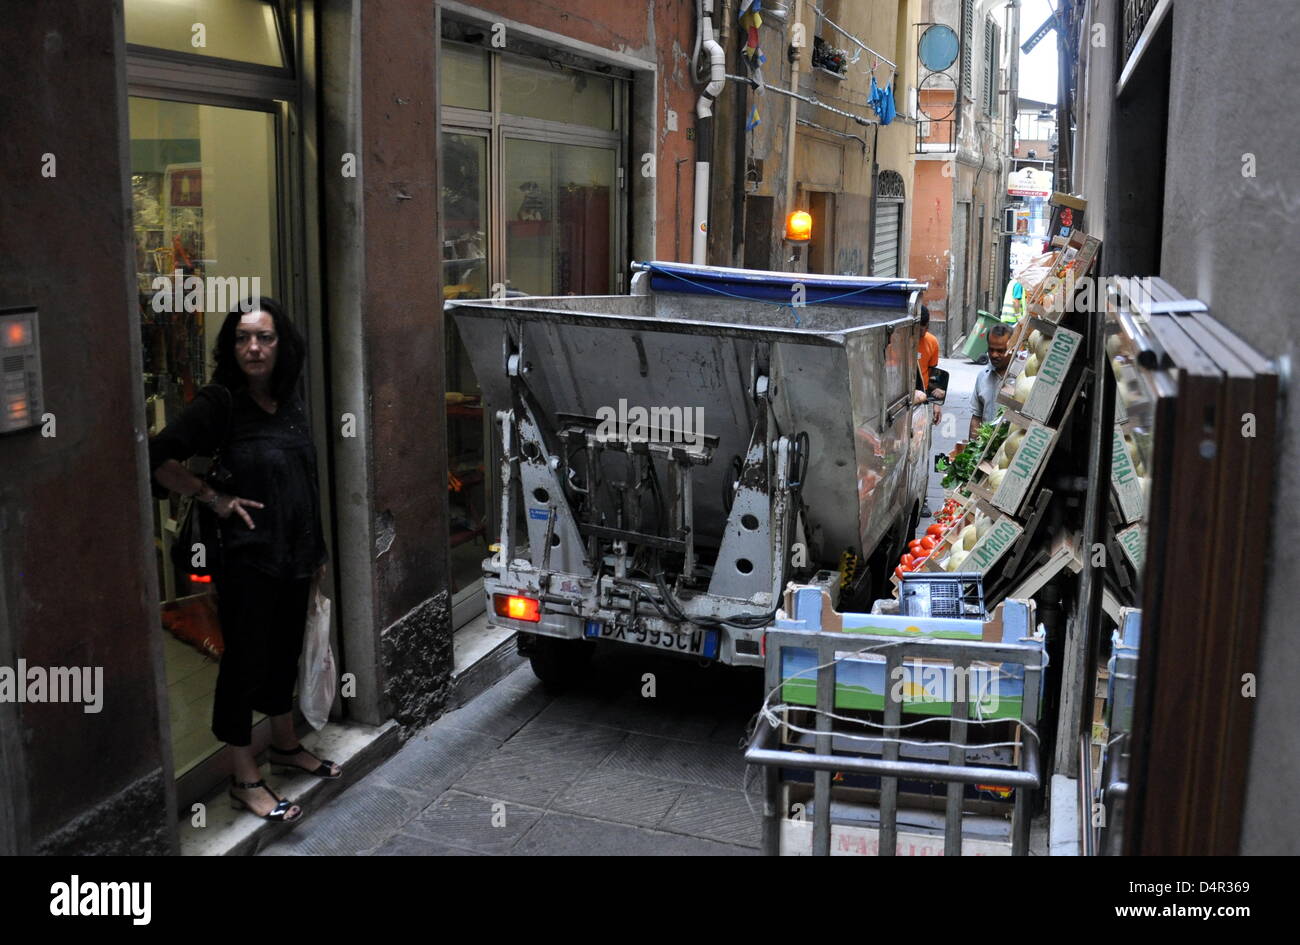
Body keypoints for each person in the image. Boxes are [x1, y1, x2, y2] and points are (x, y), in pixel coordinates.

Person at [149, 297, 336, 823]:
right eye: (243, 338)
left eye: (265, 337)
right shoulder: (220, 403)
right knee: (244, 663)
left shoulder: (287, 397)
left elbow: (306, 478)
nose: (254, 347)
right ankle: (243, 776)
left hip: (295, 555)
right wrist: (213, 497)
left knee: (283, 652)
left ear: (283, 345)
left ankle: (283, 744)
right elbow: (157, 456)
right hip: (247, 561)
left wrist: (316, 548)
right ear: (232, 348)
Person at [969, 322, 1015, 439]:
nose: (994, 355)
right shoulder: (982, 377)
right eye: (991, 350)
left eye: (1000, 351)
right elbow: (976, 417)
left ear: (1013, 348)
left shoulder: (1023, 377)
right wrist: (972, 447)